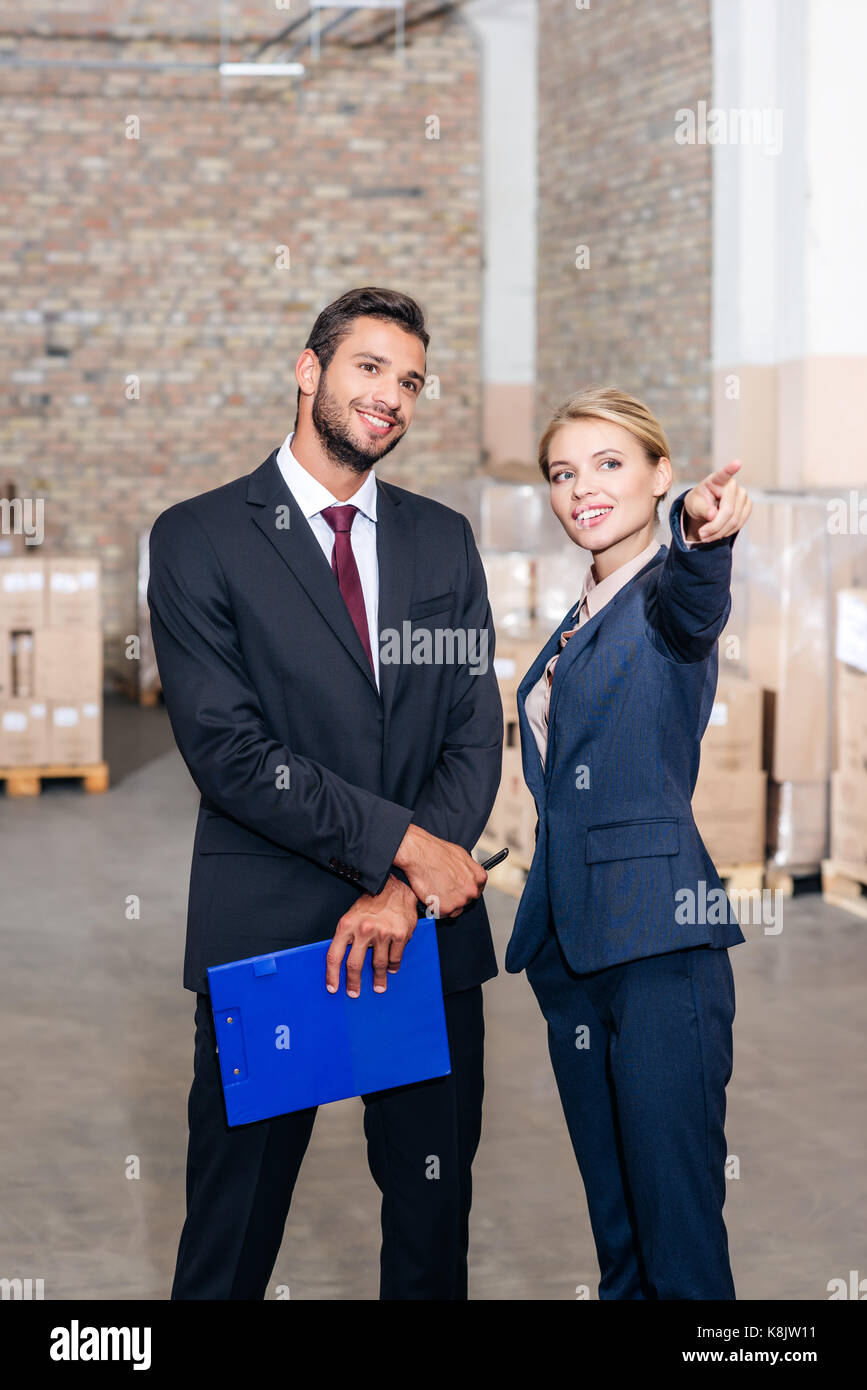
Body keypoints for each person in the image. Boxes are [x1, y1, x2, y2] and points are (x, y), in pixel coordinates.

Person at [147, 286, 503, 1300]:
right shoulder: (199, 538)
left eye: (411, 381)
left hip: (421, 937)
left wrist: (407, 889)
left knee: (431, 1235)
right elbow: (230, 752)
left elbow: (474, 733)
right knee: (231, 1240)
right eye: (369, 367)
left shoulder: (443, 540)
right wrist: (407, 843)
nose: (390, 395)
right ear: (309, 370)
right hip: (273, 938)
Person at [505, 385, 752, 1300]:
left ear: (660, 474)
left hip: (656, 951)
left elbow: (696, 601)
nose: (582, 490)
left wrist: (703, 535)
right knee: (619, 1242)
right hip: (571, 956)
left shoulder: (662, 601)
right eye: (564, 473)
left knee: (677, 1242)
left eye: (609, 464)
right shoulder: (577, 620)